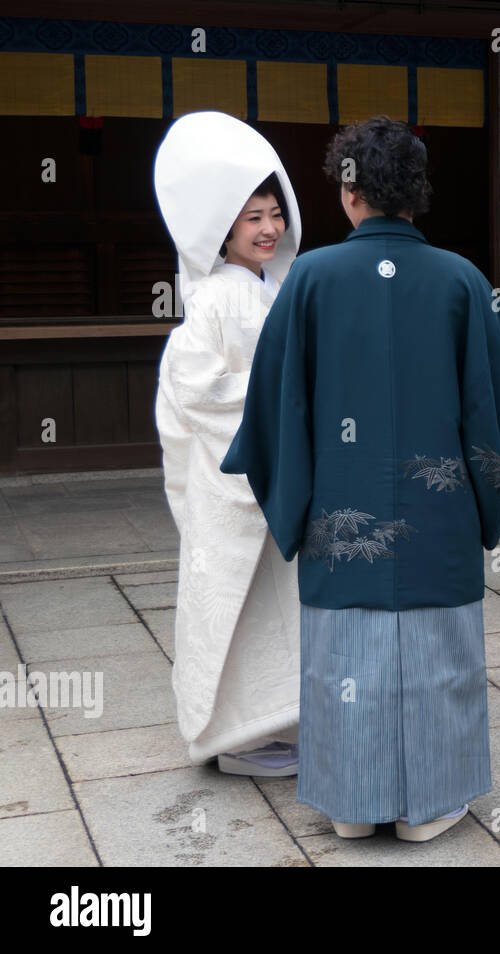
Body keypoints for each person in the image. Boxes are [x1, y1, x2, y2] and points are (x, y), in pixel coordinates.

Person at [220, 115, 500, 842]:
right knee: (438, 664)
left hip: (343, 521)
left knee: (347, 664)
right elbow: (493, 410)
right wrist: (482, 505)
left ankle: (351, 804)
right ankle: (429, 806)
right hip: (439, 523)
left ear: (348, 194)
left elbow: (277, 408)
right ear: (415, 194)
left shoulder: (308, 278)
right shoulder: (463, 280)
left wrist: (296, 500)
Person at [153, 111, 303, 777]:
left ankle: (271, 723)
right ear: (224, 229)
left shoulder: (271, 288)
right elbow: (199, 388)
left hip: (272, 474)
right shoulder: (216, 298)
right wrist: (288, 402)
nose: (269, 227)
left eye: (274, 212)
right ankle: (236, 735)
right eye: (252, 218)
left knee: (276, 607)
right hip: (240, 479)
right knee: (241, 606)